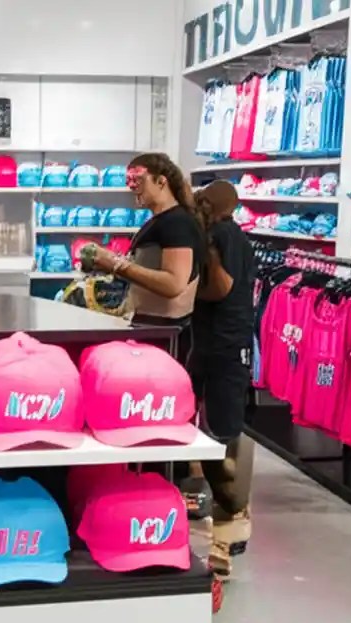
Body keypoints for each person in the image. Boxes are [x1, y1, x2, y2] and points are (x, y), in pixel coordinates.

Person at [191, 180, 258, 576]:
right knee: (210, 430)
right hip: (210, 344)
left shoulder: (225, 236)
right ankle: (222, 525)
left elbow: (220, 288)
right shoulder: (218, 233)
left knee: (225, 434)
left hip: (227, 347)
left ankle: (229, 535)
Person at [88, 152, 208, 363]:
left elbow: (173, 284)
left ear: (161, 181)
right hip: (153, 327)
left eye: (139, 179)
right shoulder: (164, 220)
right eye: (129, 180)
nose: (132, 186)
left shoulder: (177, 223)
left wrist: (117, 265)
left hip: (165, 332)